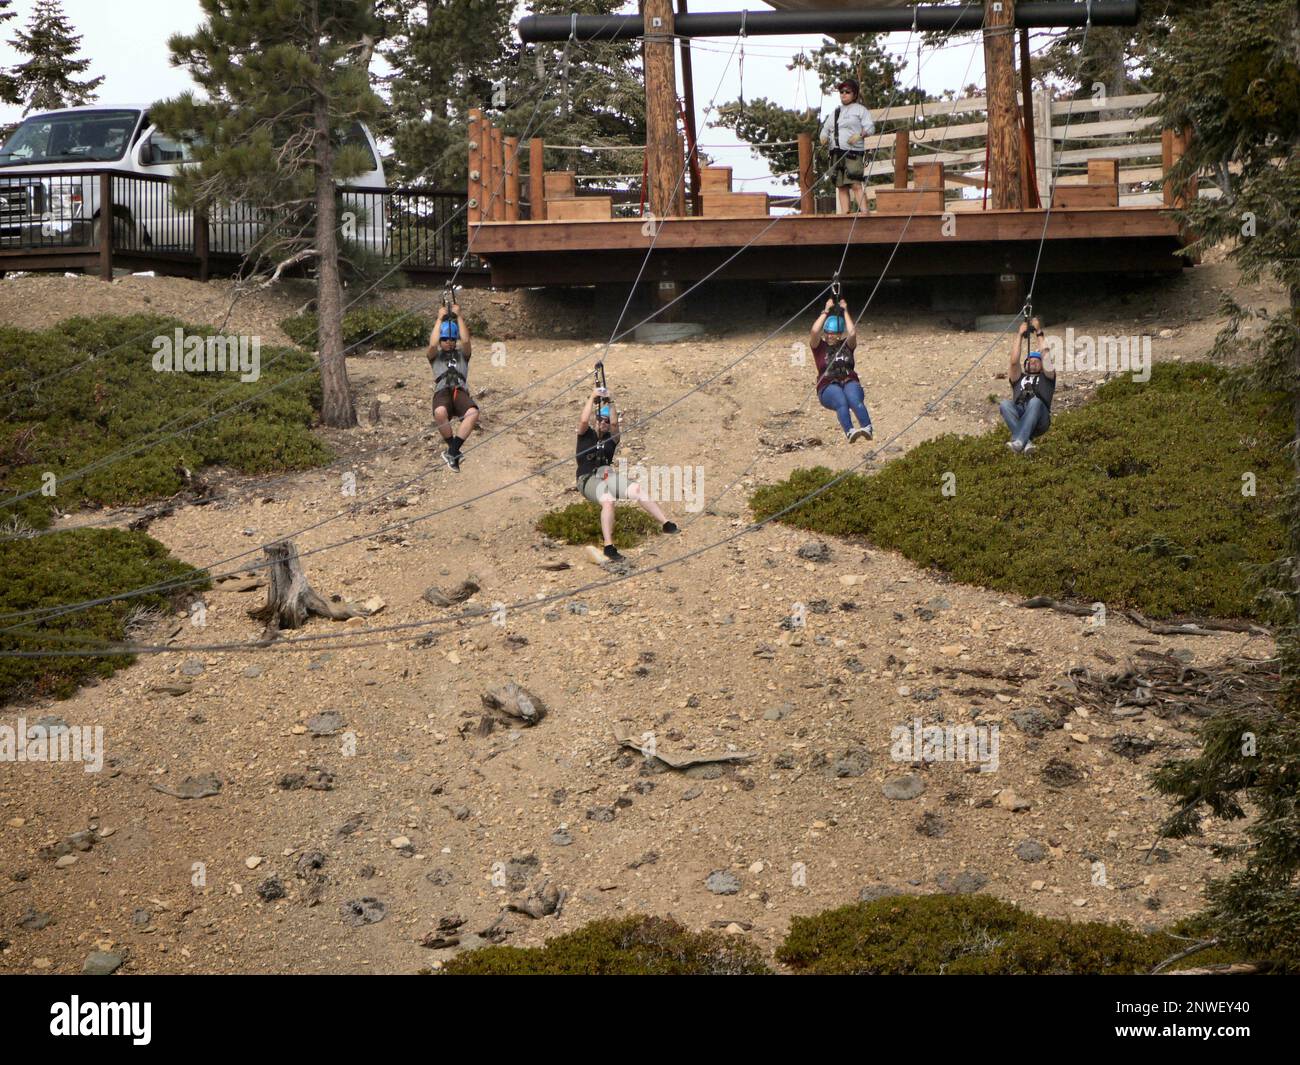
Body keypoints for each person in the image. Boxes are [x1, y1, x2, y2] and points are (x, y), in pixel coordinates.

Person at [576, 380, 678, 562]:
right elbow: (584, 420)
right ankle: (609, 546)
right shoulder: (586, 435)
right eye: (601, 420)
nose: (604, 424)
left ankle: (666, 523)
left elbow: (615, 425)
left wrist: (611, 401)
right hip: (587, 477)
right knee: (608, 500)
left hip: (606, 474)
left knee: (636, 490)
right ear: (596, 420)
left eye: (606, 421)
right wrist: (592, 397)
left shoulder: (612, 439)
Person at [811, 296, 873, 443]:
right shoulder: (819, 348)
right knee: (841, 400)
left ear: (839, 335)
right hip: (828, 386)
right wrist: (825, 312)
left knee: (853, 398)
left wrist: (845, 311)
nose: (829, 336)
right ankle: (850, 430)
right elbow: (814, 331)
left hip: (848, 380)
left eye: (833, 333)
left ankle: (867, 427)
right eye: (827, 333)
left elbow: (852, 333)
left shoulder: (846, 346)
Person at [426, 302, 478, 472]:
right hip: (442, 390)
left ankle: (453, 451)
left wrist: (459, 316)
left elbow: (466, 340)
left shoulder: (463, 355)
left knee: (473, 413)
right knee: (439, 412)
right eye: (445, 339)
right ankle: (453, 450)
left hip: (459, 390)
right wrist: (440, 318)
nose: (448, 342)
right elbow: (432, 345)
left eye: (451, 339)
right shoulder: (435, 356)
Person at [818, 78, 874, 215]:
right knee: (841, 186)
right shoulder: (836, 112)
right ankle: (845, 214)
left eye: (847, 92)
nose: (843, 94)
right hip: (836, 152)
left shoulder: (860, 110)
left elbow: (871, 127)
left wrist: (861, 135)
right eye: (841, 92)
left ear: (854, 95)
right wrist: (823, 138)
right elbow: (825, 129)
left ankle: (864, 213)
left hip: (853, 152)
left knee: (855, 184)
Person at [1001, 317, 1055, 453]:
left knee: (1035, 402)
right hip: (1020, 411)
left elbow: (1046, 356)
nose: (1033, 362)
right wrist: (1020, 334)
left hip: (1040, 417)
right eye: (1030, 360)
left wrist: (1038, 332)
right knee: (1005, 404)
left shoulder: (1046, 377)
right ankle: (1026, 442)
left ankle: (1019, 440)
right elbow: (1014, 362)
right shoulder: (1019, 378)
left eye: (1037, 361)